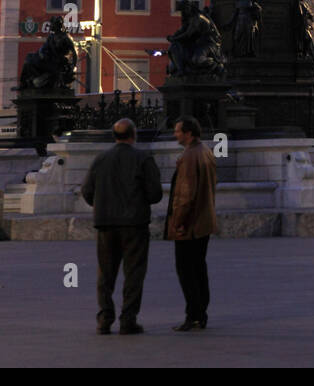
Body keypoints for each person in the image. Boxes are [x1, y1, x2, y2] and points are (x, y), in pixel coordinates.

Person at [81, 119, 164, 335]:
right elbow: (155, 193)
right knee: (134, 273)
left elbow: (87, 190)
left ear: (114, 136)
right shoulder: (143, 158)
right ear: (133, 135)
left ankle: (104, 318)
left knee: (105, 274)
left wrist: (102, 206)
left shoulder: (101, 159)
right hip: (134, 224)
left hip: (106, 224)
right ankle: (128, 319)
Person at [165, 116, 218, 332]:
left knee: (186, 270)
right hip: (203, 221)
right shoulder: (205, 151)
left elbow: (185, 196)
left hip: (190, 224)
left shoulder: (188, 156)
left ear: (189, 133)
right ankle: (201, 312)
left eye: (178, 131)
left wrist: (178, 223)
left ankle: (193, 314)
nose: (175, 134)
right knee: (199, 268)